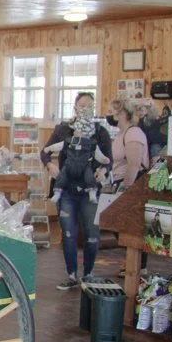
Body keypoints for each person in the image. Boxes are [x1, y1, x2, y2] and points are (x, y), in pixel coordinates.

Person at [41, 92, 112, 291]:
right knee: (69, 234)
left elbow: (109, 159)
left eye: (89, 106)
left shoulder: (100, 132)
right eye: (82, 106)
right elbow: (44, 152)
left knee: (92, 234)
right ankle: (71, 274)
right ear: (74, 107)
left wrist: (103, 170)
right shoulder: (64, 129)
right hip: (67, 191)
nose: (85, 110)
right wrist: (50, 165)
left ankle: (89, 273)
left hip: (90, 190)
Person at [108, 98, 150, 275]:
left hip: (133, 183)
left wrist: (125, 189)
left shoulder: (134, 133)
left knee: (131, 226)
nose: (110, 114)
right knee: (118, 225)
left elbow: (134, 164)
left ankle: (139, 266)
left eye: (112, 111)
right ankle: (134, 262)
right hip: (119, 181)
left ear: (122, 113)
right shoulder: (120, 134)